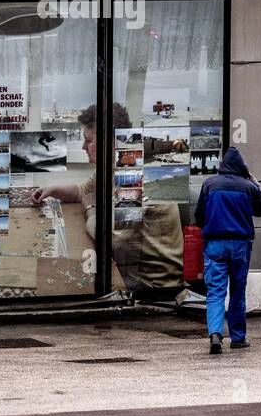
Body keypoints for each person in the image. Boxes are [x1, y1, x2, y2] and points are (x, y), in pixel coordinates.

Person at [33, 102, 185, 292]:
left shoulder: (135, 175)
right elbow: (84, 190)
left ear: (108, 142)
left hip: (151, 285)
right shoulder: (117, 161)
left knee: (67, 286)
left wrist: (91, 209)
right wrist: (52, 189)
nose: (83, 147)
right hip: (131, 268)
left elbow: (109, 239)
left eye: (88, 141)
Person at [194, 146, 261, 354]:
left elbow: (199, 217)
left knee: (215, 291)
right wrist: (256, 185)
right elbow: (260, 211)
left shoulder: (209, 185)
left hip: (215, 244)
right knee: (237, 291)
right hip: (240, 245)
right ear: (241, 167)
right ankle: (237, 337)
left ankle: (215, 335)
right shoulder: (248, 187)